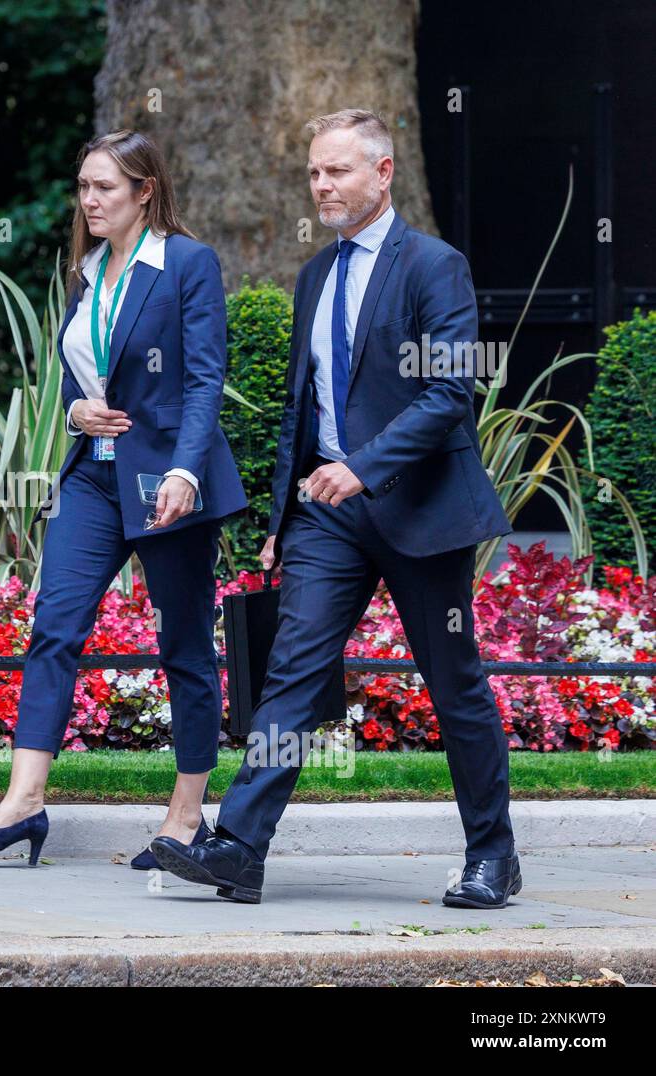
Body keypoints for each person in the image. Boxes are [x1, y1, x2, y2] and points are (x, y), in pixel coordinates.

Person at [152, 109, 519, 908]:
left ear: (382, 174)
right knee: (290, 673)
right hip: (326, 514)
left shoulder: (435, 266)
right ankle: (241, 848)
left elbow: (450, 391)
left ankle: (493, 854)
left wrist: (365, 467)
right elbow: (301, 407)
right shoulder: (316, 274)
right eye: (315, 172)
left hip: (423, 512)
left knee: (452, 684)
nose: (321, 184)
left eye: (338, 171)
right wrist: (284, 522)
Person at [0, 130, 247, 868]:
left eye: (105, 188)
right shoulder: (87, 271)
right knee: (54, 626)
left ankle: (184, 818)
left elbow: (206, 377)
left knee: (182, 644)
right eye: (83, 187)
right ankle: (24, 803)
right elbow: (87, 374)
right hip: (92, 473)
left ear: (145, 191)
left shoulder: (184, 262)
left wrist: (185, 472)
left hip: (164, 482)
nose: (89, 200)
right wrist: (78, 412)